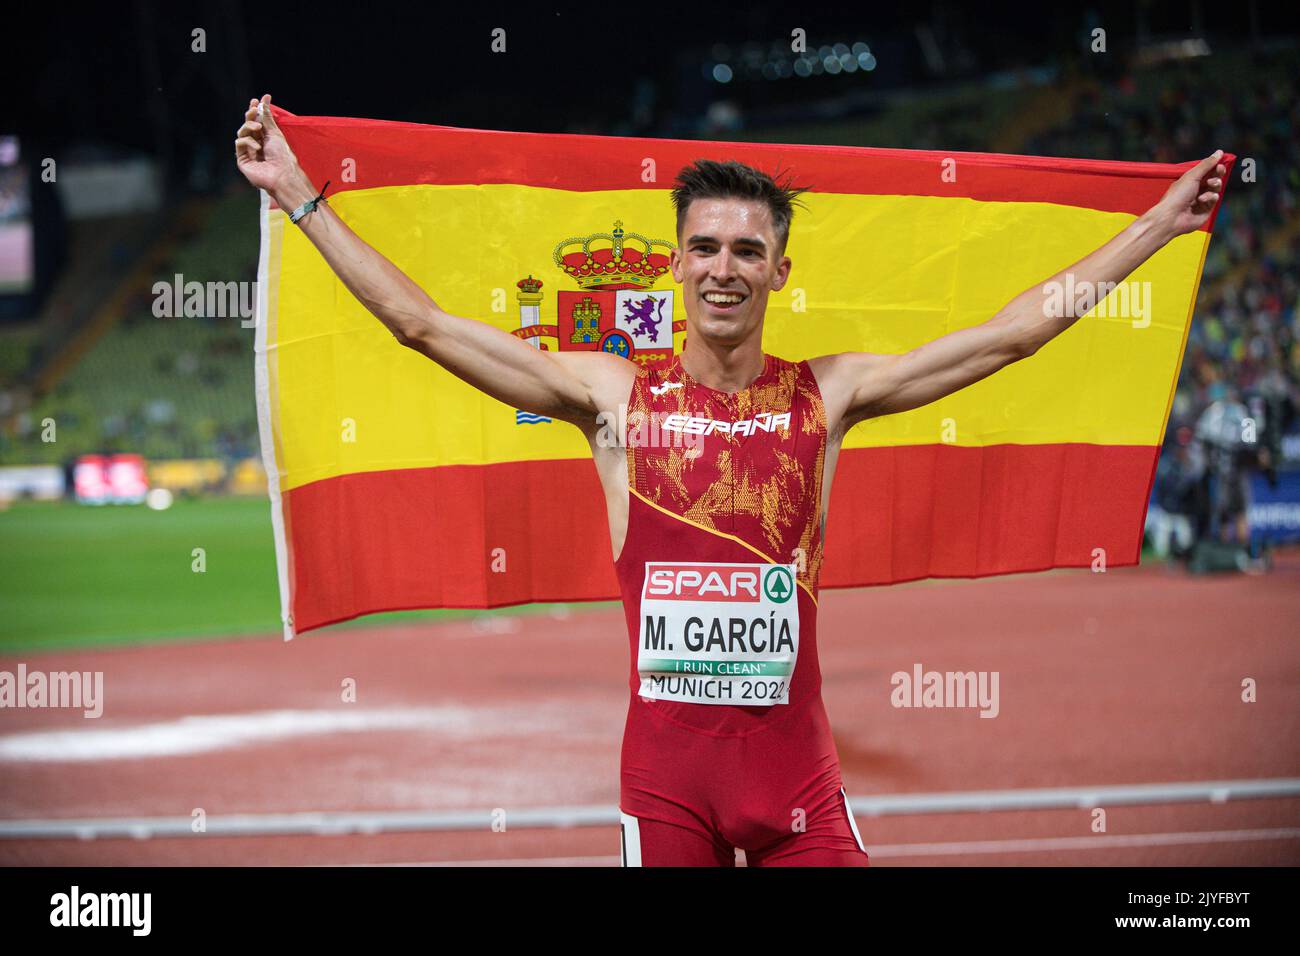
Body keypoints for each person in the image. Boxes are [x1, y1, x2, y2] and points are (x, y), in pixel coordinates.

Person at [235, 93, 1227, 866]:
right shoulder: (612, 399)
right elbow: (424, 325)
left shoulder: (827, 395)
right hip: (667, 785)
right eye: (703, 246)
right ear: (673, 263)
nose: (723, 266)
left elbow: (1015, 333)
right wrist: (302, 197)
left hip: (797, 776)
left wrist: (1160, 222)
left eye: (747, 250)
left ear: (778, 272)